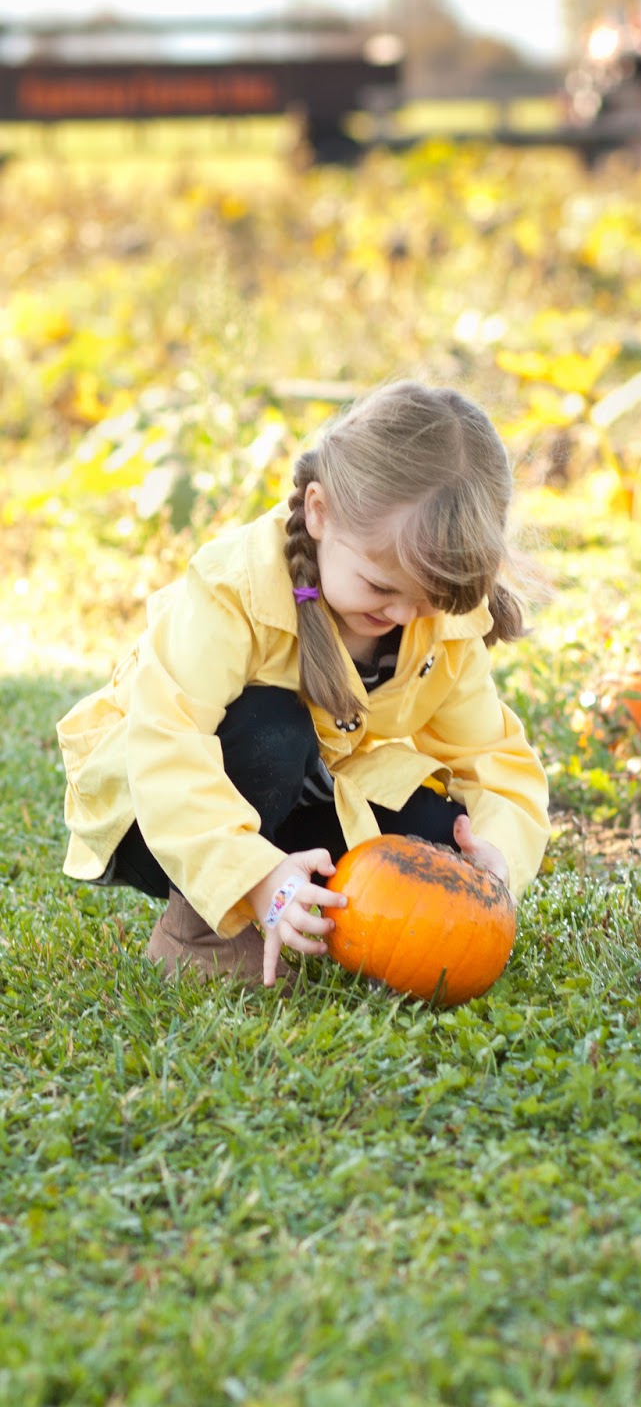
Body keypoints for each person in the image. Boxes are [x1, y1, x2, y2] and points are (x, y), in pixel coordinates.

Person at [56, 380, 551, 990]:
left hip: (303, 798)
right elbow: (167, 745)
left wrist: (498, 855)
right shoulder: (233, 588)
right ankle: (202, 932)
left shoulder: (439, 623)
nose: (402, 615)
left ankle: (322, 907)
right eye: (380, 588)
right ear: (320, 512)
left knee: (439, 832)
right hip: (158, 812)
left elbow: (491, 757)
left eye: (426, 601)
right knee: (273, 729)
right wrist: (257, 879)